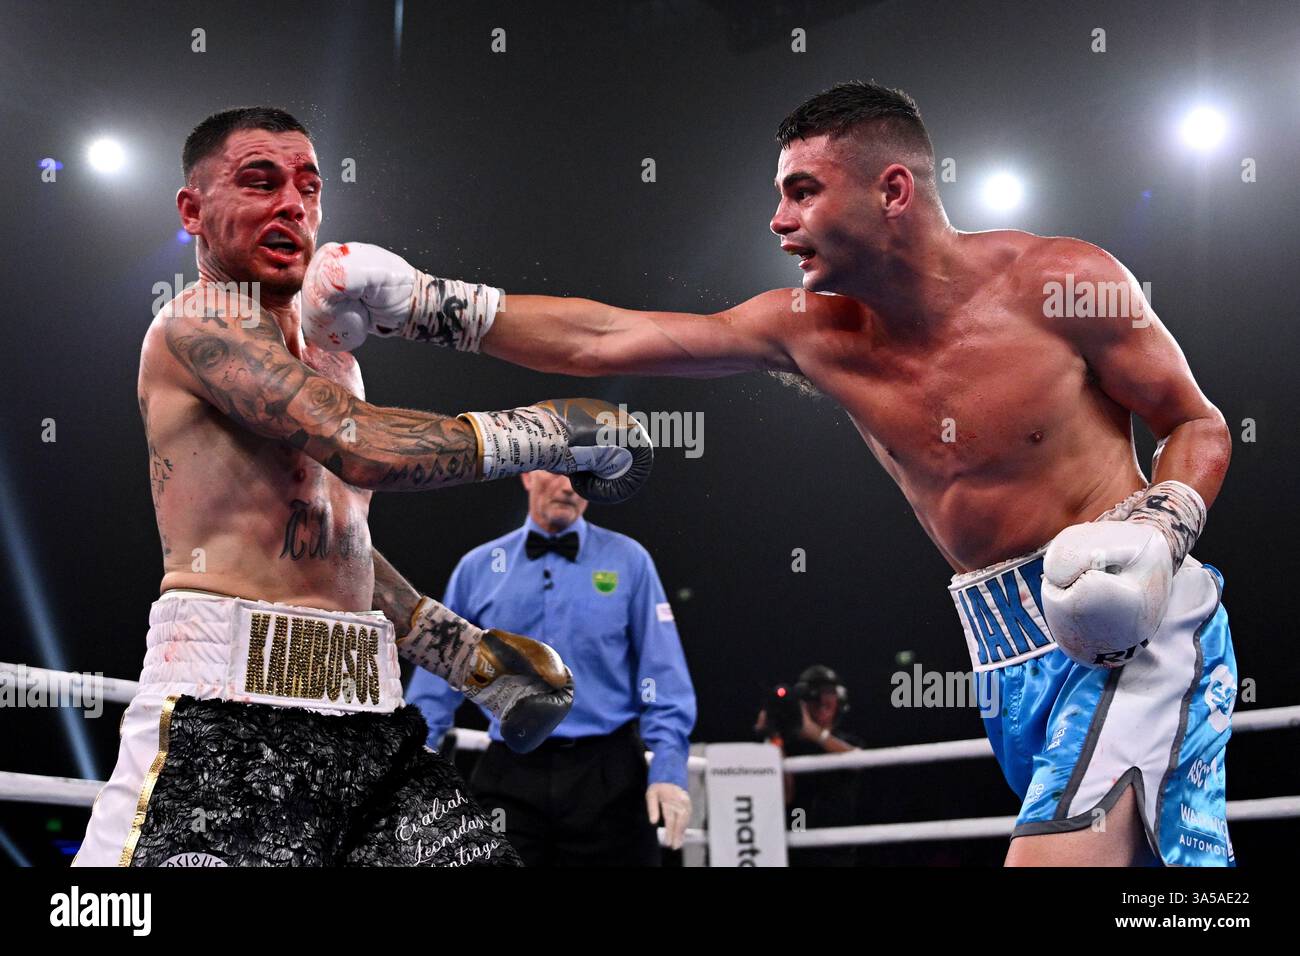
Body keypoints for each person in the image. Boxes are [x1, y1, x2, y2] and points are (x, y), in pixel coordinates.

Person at [304, 81, 1237, 867]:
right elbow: (612, 336)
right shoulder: (810, 333)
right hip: (1000, 650)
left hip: (1131, 616)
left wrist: (1158, 529)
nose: (779, 221)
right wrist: (429, 304)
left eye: (802, 191)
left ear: (894, 191)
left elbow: (1196, 422)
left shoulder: (1060, 280)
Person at [73, 106, 654, 868]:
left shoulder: (334, 364)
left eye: (309, 188)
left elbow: (336, 546)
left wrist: (466, 657)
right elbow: (364, 448)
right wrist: (552, 430)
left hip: (369, 717)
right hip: (225, 716)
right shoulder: (197, 323)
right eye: (260, 181)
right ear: (192, 211)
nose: (293, 205)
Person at [408, 471, 696, 866]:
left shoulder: (630, 561)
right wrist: (411, 763)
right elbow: (435, 675)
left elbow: (662, 674)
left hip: (609, 775)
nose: (568, 487)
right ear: (527, 473)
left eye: (582, 478)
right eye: (559, 472)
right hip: (510, 771)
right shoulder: (478, 568)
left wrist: (668, 767)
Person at [757, 666, 864, 866]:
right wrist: (773, 736)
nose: (822, 701)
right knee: (799, 824)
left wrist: (815, 732)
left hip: (838, 848)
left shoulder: (848, 741)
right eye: (815, 696)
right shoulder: (791, 745)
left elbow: (859, 761)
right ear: (802, 704)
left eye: (828, 694)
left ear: (839, 701)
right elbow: (785, 794)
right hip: (799, 837)